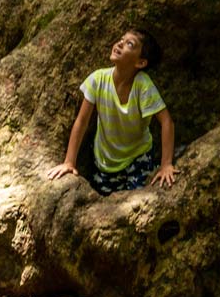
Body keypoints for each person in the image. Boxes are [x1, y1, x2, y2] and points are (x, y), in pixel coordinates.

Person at [46, 28, 177, 194]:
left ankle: (161, 163)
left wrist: (167, 164)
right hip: (105, 162)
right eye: (121, 39)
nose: (120, 43)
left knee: (136, 200)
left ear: (140, 62)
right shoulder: (97, 79)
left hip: (138, 158)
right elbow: (82, 121)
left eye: (129, 44)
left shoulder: (142, 85)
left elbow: (166, 121)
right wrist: (69, 161)